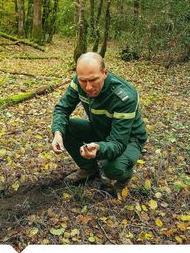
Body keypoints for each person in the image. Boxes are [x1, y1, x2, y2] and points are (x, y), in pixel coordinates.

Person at [51, 52, 147, 197]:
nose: (88, 87)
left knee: (112, 168)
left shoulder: (124, 97)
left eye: (93, 80)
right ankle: (89, 169)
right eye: (83, 80)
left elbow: (118, 142)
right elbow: (62, 108)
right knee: (66, 127)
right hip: (100, 129)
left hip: (129, 139)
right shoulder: (79, 82)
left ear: (105, 73)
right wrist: (57, 132)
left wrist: (99, 148)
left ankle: (124, 178)